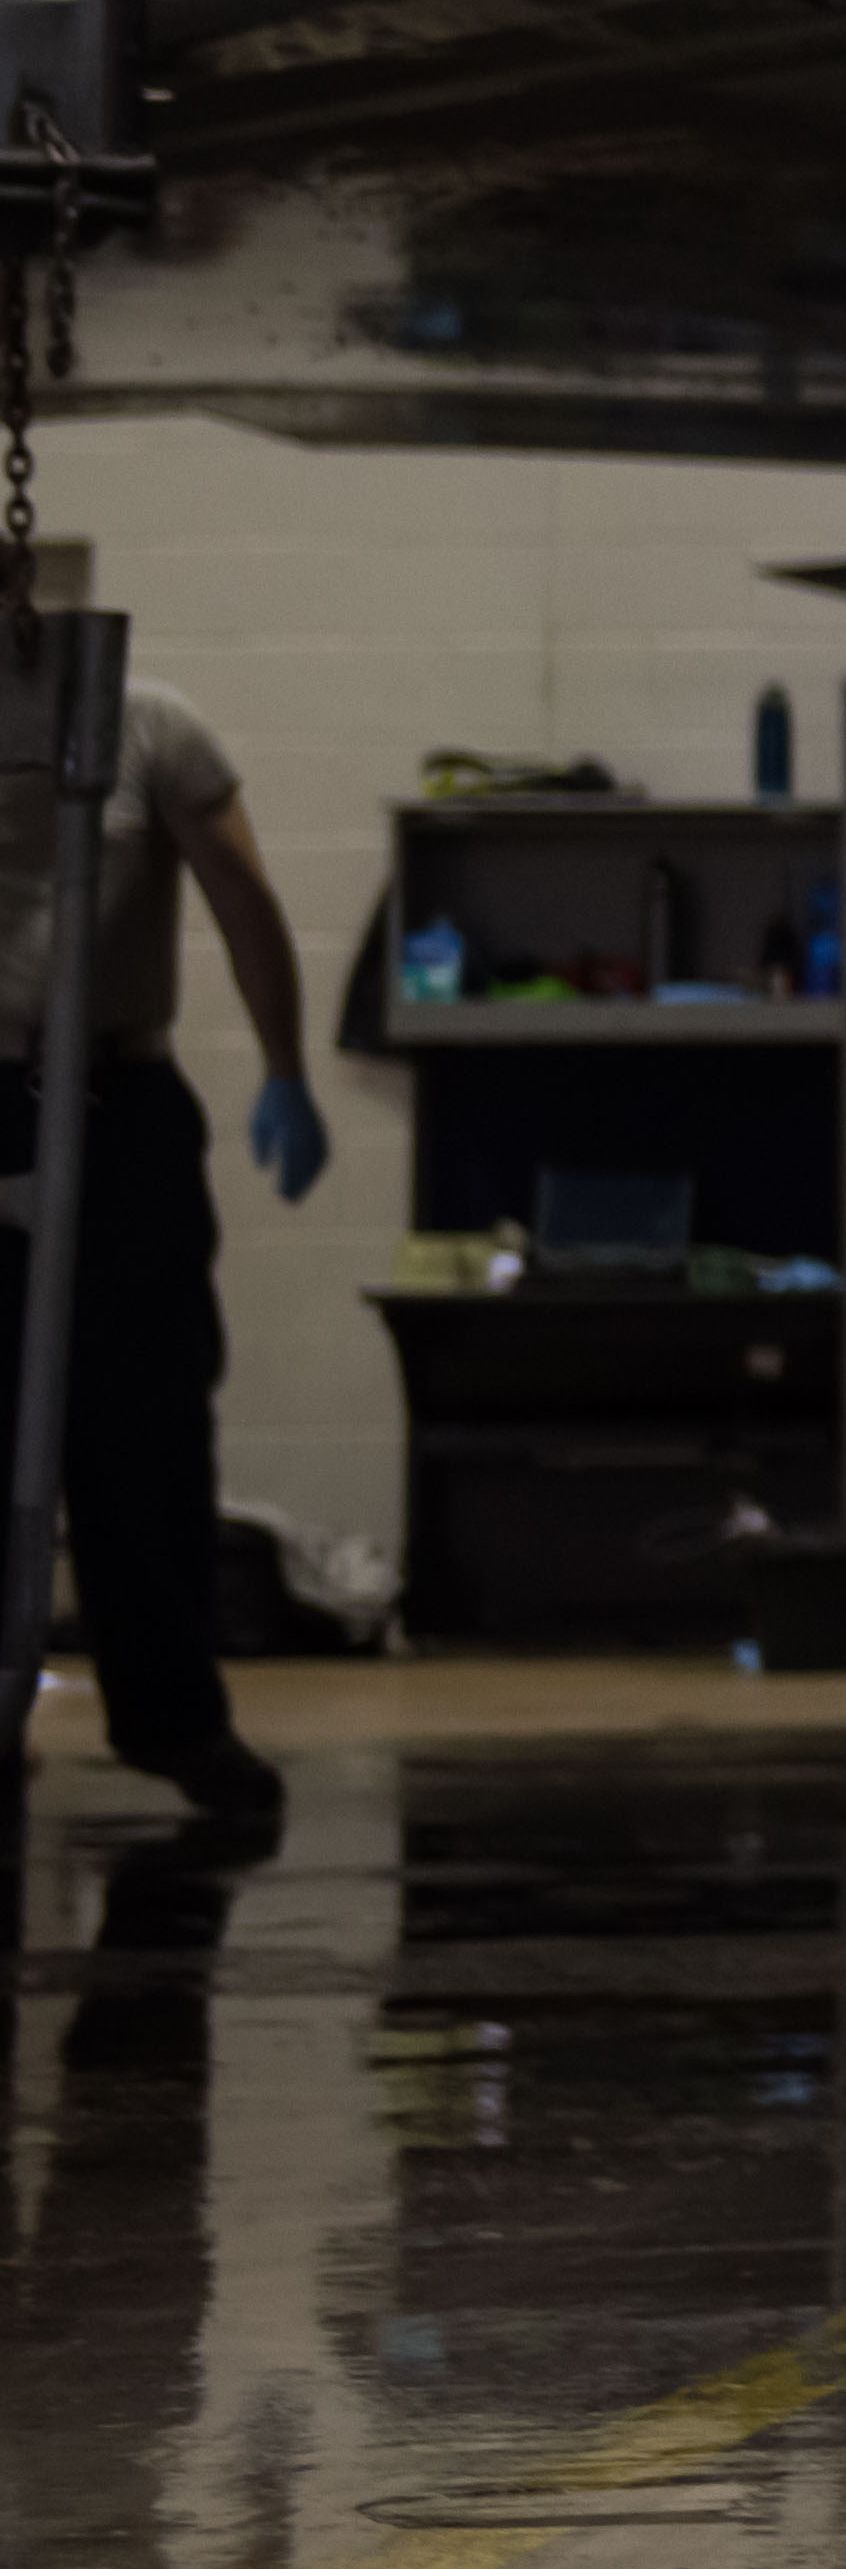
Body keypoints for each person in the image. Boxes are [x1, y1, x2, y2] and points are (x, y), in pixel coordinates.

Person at [3, 678, 328, 1824]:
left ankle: (176, 1719)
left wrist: (285, 1067)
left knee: (142, 1420)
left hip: (115, 1096)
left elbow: (244, 898)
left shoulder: (143, 722)